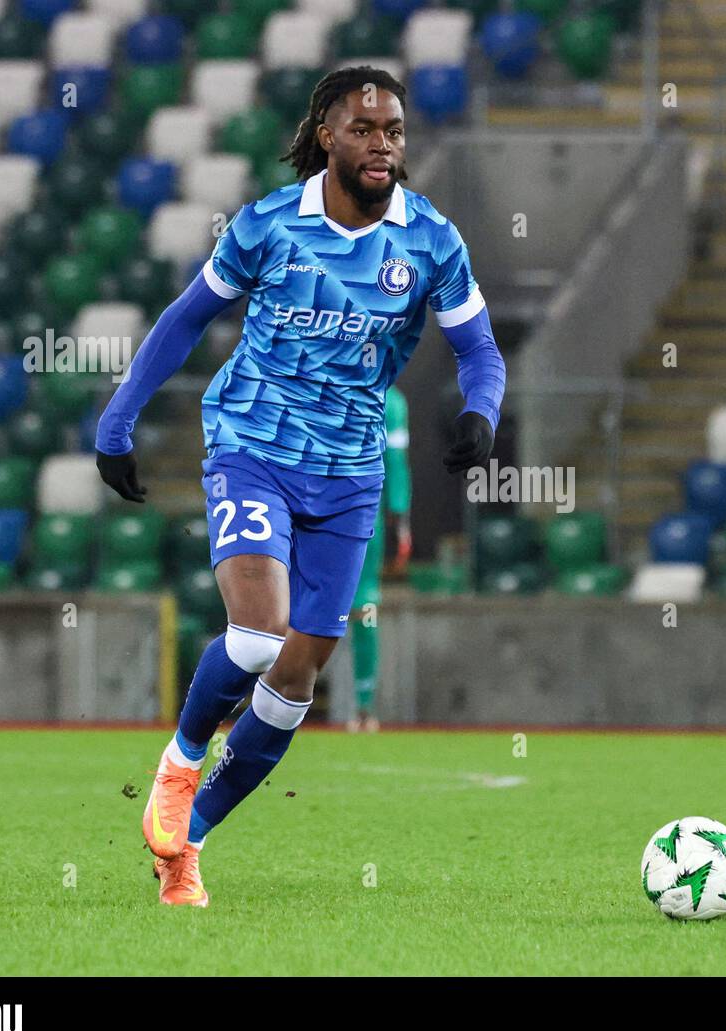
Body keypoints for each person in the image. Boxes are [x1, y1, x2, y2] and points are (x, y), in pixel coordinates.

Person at [94, 66, 506, 907]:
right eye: (364, 128)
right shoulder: (269, 225)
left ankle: (187, 845)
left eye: (393, 130)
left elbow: (480, 350)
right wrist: (117, 419)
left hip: (351, 474)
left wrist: (481, 413)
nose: (382, 143)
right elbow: (185, 319)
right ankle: (178, 764)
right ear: (328, 135)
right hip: (253, 443)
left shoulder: (430, 241)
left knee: (296, 682)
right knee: (257, 633)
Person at [347, 384, 412, 734]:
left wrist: (399, 516)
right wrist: (401, 519)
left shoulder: (391, 402)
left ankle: (363, 705)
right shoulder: (390, 399)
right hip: (319, 511)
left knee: (364, 608)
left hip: (360, 517)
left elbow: (396, 463)